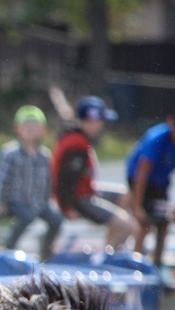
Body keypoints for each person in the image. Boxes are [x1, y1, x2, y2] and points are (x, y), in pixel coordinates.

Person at [52, 95, 141, 252]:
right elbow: (65, 179)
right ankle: (105, 257)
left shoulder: (80, 138)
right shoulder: (76, 143)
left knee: (126, 195)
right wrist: (67, 207)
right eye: (99, 121)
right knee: (128, 226)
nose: (101, 125)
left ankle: (112, 235)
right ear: (90, 120)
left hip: (88, 191)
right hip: (79, 200)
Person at [125, 102, 175, 266]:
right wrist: (137, 206)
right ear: (170, 121)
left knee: (164, 220)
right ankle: (136, 263)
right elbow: (142, 172)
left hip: (161, 182)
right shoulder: (157, 138)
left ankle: (157, 263)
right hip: (139, 179)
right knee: (144, 223)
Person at [0, 105, 63, 259]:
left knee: (56, 219)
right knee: (27, 216)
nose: (32, 131)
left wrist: (49, 200)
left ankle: (46, 251)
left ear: (43, 130)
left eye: (35, 127)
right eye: (27, 127)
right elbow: (0, 179)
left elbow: (49, 183)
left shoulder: (45, 156)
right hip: (16, 201)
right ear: (18, 129)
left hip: (38, 202)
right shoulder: (10, 153)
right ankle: (9, 247)